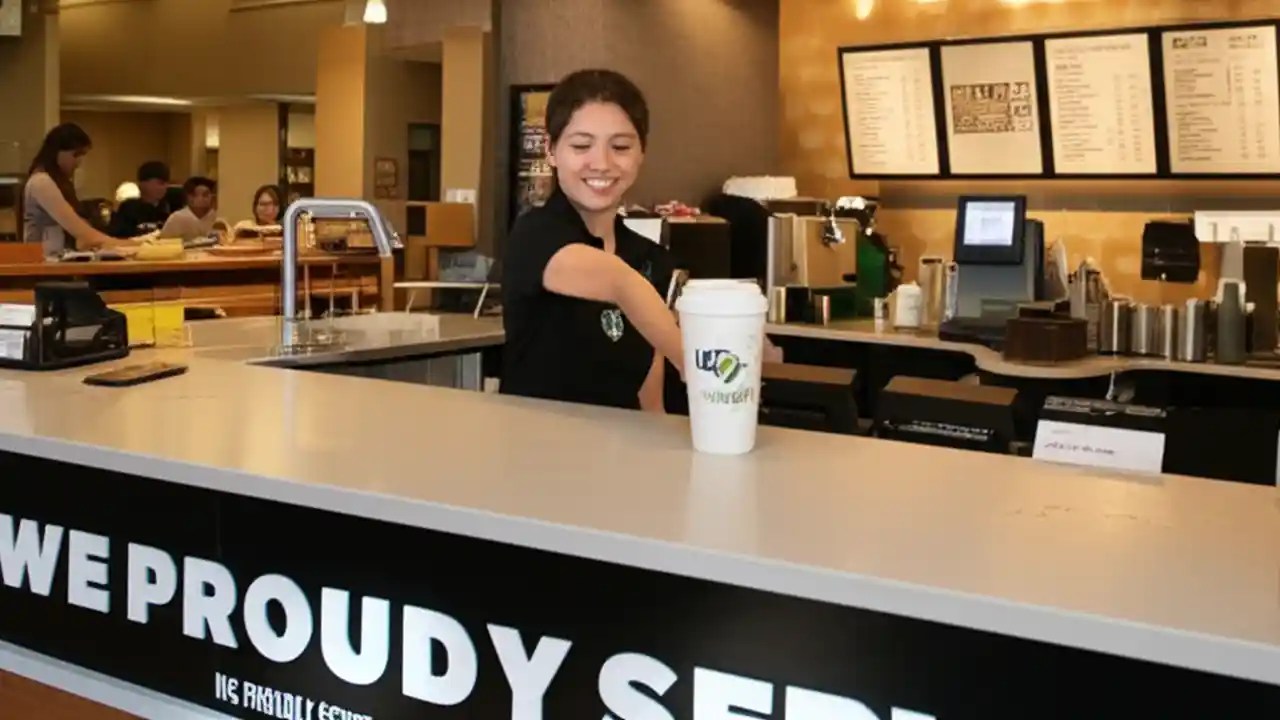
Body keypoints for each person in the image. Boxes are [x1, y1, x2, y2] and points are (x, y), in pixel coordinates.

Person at [500, 69, 683, 412]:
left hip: (619, 458)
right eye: (582, 145)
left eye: (621, 147)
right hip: (536, 455)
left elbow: (649, 384)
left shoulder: (649, 258)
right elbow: (618, 283)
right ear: (551, 150)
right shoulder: (535, 236)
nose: (601, 163)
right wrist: (697, 364)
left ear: (642, 152)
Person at [23, 123, 140, 254]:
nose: (78, 162)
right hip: (42, 264)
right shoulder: (41, 182)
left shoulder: (56, 182)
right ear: (57, 151)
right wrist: (134, 244)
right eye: (76, 154)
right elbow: (84, 234)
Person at [109, 161, 173, 237]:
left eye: (166, 183)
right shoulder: (129, 208)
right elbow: (118, 237)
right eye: (160, 183)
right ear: (142, 184)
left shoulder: (170, 207)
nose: (164, 187)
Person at [160, 176, 225, 240]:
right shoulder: (176, 219)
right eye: (205, 195)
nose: (210, 198)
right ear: (190, 198)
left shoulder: (217, 217)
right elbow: (163, 244)